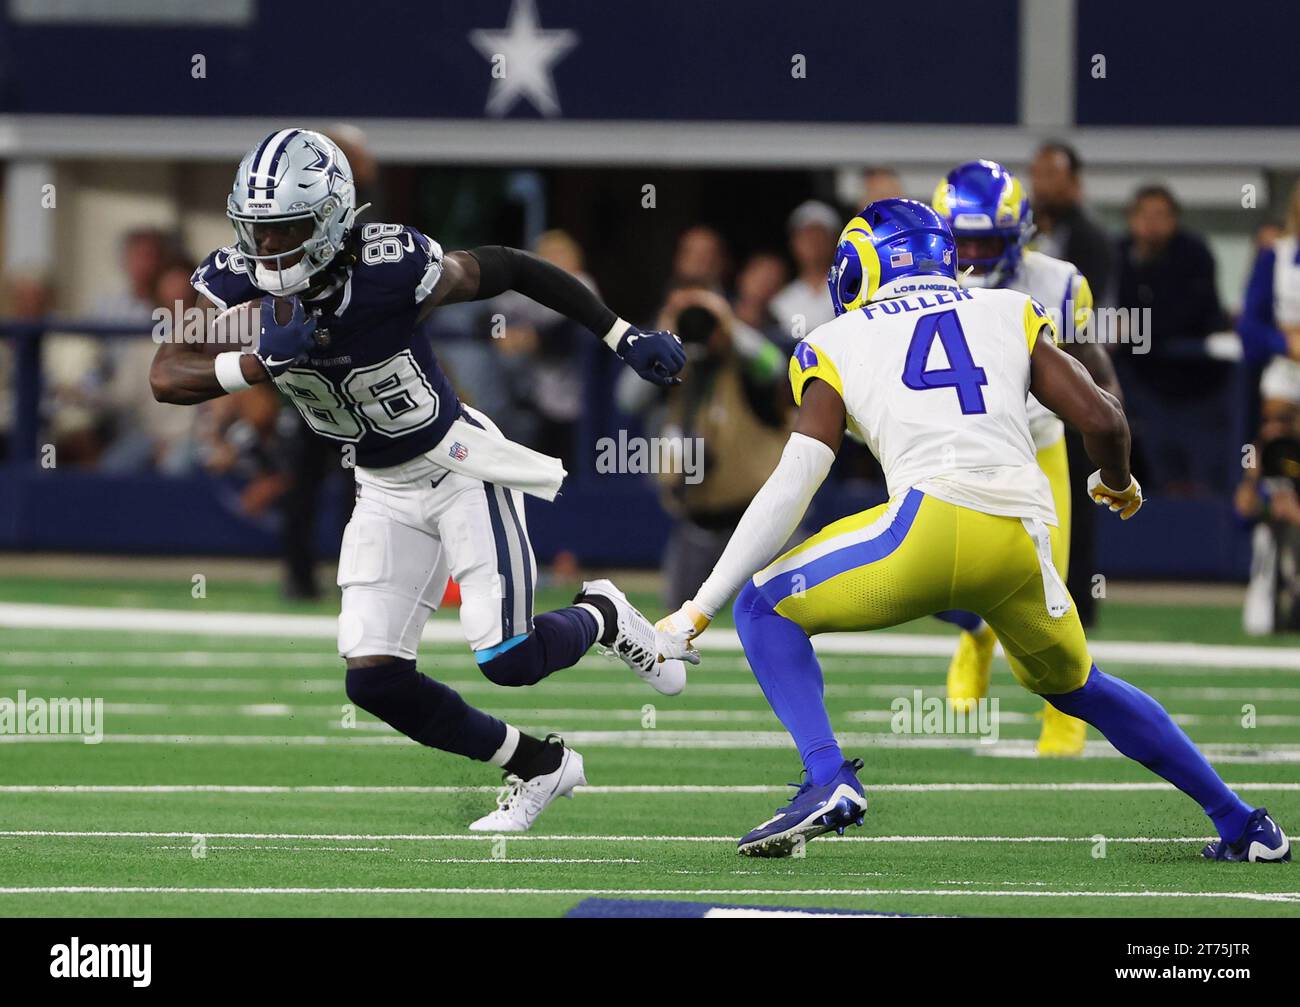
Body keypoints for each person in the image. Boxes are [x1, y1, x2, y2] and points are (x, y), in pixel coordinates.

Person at [656, 199, 1289, 864]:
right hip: (1020, 537)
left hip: (924, 528)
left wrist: (700, 606)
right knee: (1080, 685)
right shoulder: (1006, 310)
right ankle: (1243, 822)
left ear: (862, 269)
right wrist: (1118, 480)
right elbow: (1102, 417)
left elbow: (795, 481)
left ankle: (827, 777)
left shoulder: (834, 341)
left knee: (762, 606)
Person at [150, 128, 690, 832]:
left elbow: (513, 268)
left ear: (331, 217)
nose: (268, 250)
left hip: (455, 466)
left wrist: (620, 334)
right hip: (381, 485)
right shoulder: (234, 277)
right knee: (373, 679)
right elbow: (167, 372)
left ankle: (606, 615)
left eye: (285, 231)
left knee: (510, 659)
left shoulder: (389, 266)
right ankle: (539, 765)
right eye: (258, 231)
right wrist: (253, 364)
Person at [931, 159, 1123, 757]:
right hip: (949, 444)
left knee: (1049, 590)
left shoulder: (1057, 283)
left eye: (988, 240)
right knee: (941, 571)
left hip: (1036, 447)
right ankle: (977, 634)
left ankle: (1063, 716)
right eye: (963, 241)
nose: (974, 256)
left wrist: (1112, 430)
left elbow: (1096, 372)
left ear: (1018, 235)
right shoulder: (916, 285)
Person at [1116, 185, 1229, 494]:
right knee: (1154, 476)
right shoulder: (1118, 254)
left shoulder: (1194, 253)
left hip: (1199, 391)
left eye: (1161, 215)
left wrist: (1134, 330)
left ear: (1175, 220)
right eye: (1145, 214)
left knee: (1204, 481)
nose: (1152, 223)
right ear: (1131, 218)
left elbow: (1190, 316)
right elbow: (1105, 315)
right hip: (1144, 388)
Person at [1028, 141, 1115, 305]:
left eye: (1050, 174)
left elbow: (1091, 303)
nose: (1041, 184)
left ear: (1074, 182)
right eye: (1036, 174)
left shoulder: (1093, 240)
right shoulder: (1020, 233)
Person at [770, 200, 840, 338]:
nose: (813, 242)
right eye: (806, 235)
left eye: (820, 235)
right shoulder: (780, 302)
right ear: (794, 243)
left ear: (834, 240)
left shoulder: (849, 292)